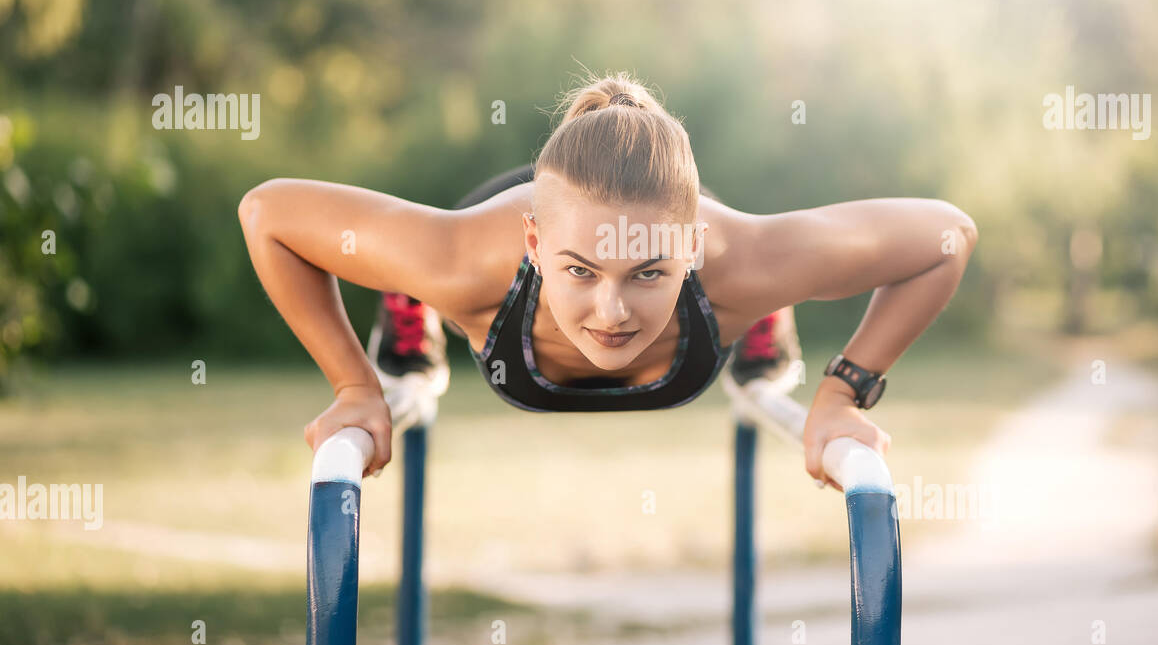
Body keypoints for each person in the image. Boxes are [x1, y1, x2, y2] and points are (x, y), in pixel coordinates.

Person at [237, 70, 978, 490]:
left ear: (688, 248)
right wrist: (355, 387)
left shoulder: (738, 257)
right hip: (493, 257)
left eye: (648, 271)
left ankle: (759, 321)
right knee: (427, 269)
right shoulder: (466, 258)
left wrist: (843, 391)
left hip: (713, 272)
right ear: (535, 243)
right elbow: (266, 214)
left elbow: (949, 235)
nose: (612, 311)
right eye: (582, 274)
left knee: (745, 282)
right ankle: (409, 307)